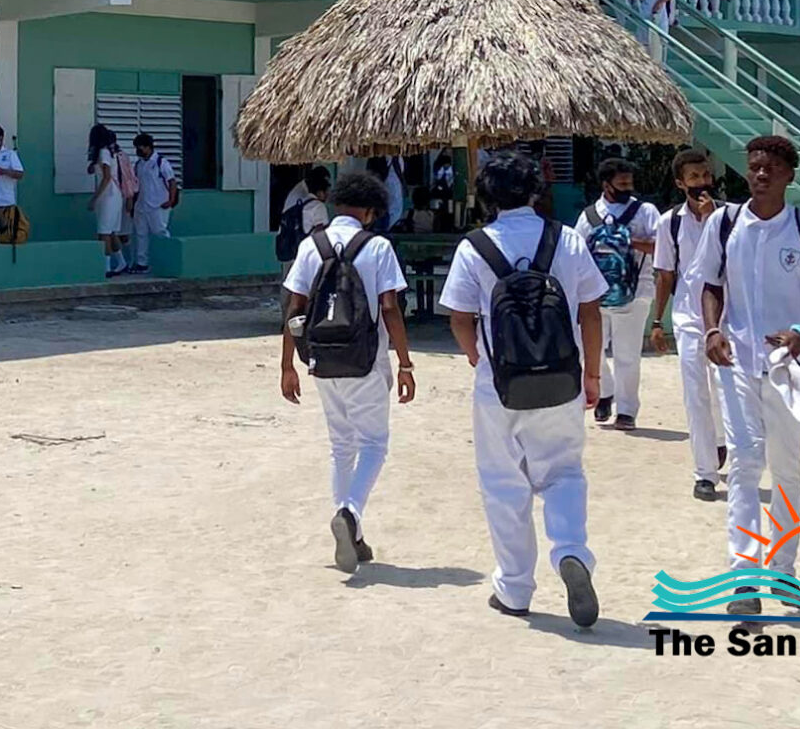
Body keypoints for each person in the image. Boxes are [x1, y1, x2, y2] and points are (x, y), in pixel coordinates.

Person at [438, 152, 606, 626]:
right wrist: (592, 375)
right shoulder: (567, 239)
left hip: (500, 384)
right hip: (561, 377)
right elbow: (591, 311)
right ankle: (570, 551)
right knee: (564, 471)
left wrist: (479, 360)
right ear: (536, 190)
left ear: (487, 195)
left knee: (503, 481)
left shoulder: (474, 246)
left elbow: (460, 318)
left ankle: (514, 588)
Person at [693, 135, 800, 615]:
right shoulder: (725, 223)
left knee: (786, 468)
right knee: (745, 463)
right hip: (736, 362)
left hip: (791, 367)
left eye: (770, 168)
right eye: (754, 167)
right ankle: (744, 580)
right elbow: (709, 283)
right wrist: (712, 331)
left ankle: (784, 573)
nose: (760, 175)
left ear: (789, 175)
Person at [278, 172, 415, 575]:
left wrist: (287, 365)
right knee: (374, 444)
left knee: (341, 446)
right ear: (370, 211)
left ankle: (354, 536)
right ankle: (350, 513)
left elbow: (294, 309)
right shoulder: (378, 247)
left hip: (322, 358)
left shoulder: (311, 245)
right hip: (366, 360)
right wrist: (405, 363)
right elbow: (389, 308)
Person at [649, 148, 726, 501]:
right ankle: (704, 473)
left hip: (727, 317)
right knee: (695, 393)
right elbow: (665, 274)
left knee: (725, 388)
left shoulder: (730, 217)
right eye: (694, 177)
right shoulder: (670, 223)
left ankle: (720, 439)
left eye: (705, 175)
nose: (702, 182)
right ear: (681, 183)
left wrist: (712, 220)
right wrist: (658, 320)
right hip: (688, 318)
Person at [575, 157, 659, 432]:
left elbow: (663, 247)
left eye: (629, 183)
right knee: (592, 349)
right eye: (622, 184)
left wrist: (628, 241)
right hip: (595, 295)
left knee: (627, 354)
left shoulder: (645, 211)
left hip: (637, 292)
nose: (627, 188)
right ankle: (606, 392)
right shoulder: (589, 216)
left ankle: (626, 410)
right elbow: (576, 252)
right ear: (606, 184)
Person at [128, 133, 179, 275]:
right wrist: (133, 204)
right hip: (141, 205)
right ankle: (142, 263)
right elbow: (137, 186)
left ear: (148, 147)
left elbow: (172, 182)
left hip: (158, 205)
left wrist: (170, 200)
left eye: (141, 147)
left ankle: (168, 261)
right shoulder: (139, 164)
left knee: (160, 232)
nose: (138, 150)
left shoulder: (161, 163)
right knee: (141, 234)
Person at [87, 124, 129, 277]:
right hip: (114, 195)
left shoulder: (104, 152)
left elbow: (106, 177)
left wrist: (94, 198)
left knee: (103, 232)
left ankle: (106, 267)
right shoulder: (111, 152)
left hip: (108, 195)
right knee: (111, 232)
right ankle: (121, 262)